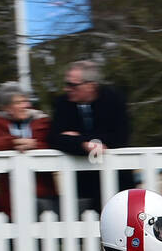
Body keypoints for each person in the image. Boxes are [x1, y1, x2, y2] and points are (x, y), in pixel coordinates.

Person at [49, 60, 132, 205]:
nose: (67, 89)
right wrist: (84, 144)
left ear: (91, 85)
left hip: (117, 182)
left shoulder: (115, 99)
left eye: (72, 85)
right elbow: (55, 139)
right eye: (66, 84)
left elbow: (120, 137)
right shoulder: (62, 103)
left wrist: (81, 139)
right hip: (81, 184)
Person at [0, 82, 56, 216]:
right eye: (18, 102)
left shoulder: (41, 120)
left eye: (25, 101)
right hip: (10, 194)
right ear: (6, 107)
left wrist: (34, 145)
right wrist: (12, 142)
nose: (25, 106)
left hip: (43, 191)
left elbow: (54, 143)